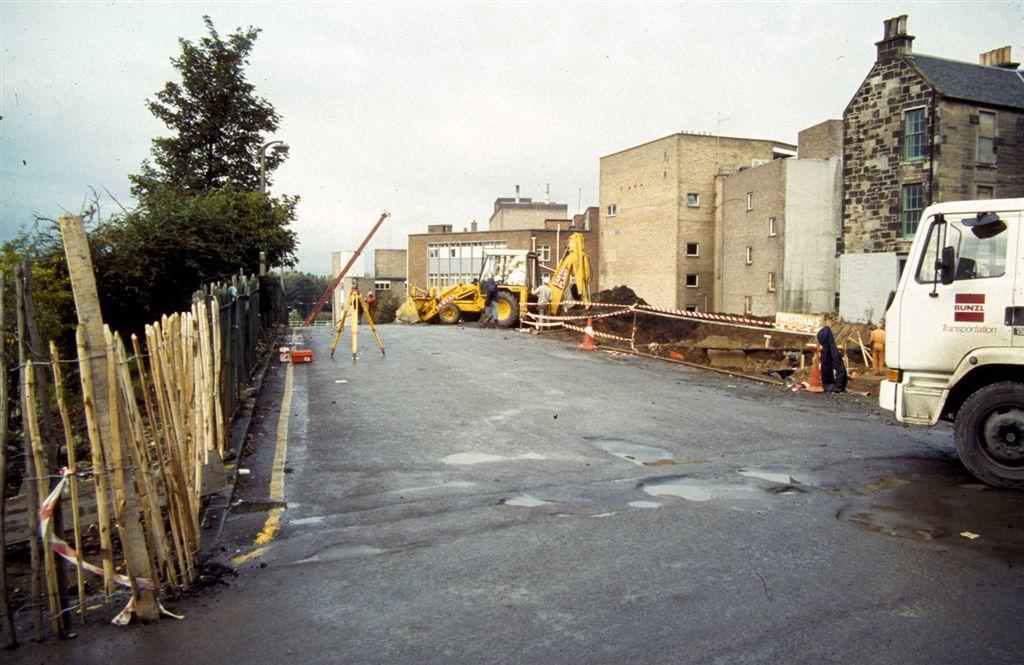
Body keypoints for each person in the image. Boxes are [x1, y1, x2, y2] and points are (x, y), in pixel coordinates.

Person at [816, 325, 848, 393]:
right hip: (833, 385)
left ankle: (835, 385)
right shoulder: (832, 351)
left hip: (832, 385)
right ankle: (836, 385)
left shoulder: (828, 352)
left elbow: (839, 370)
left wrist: (838, 386)